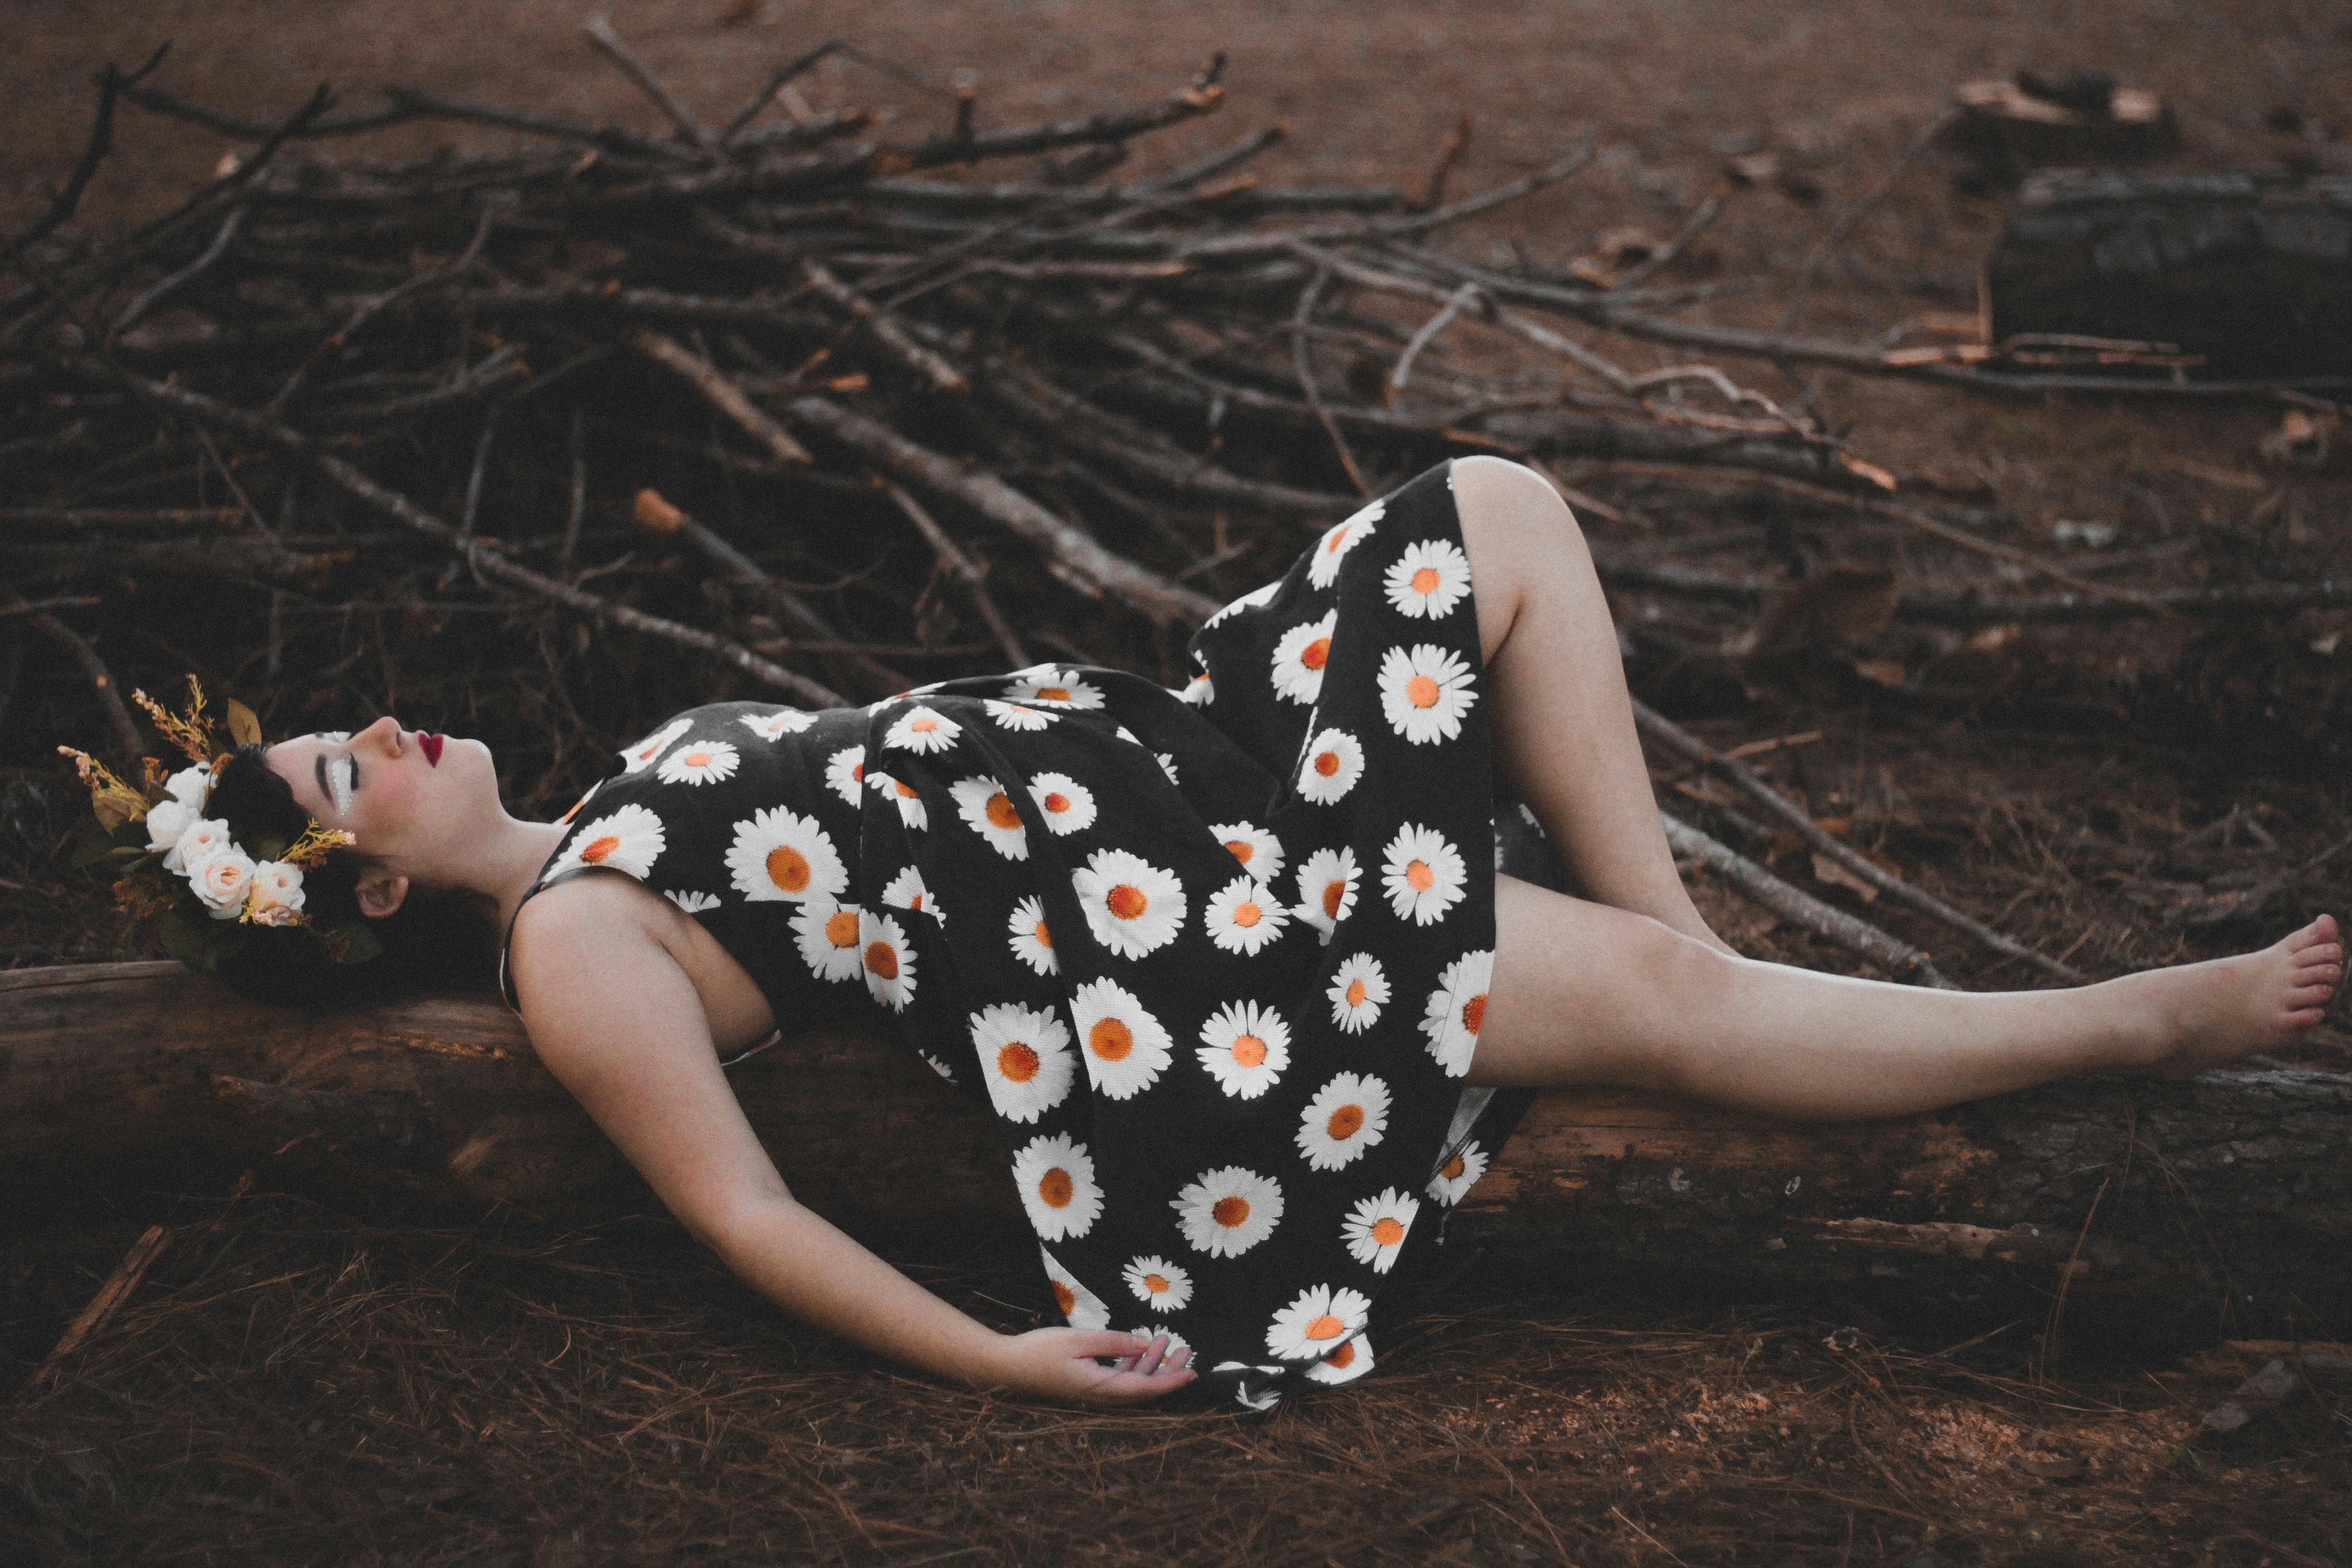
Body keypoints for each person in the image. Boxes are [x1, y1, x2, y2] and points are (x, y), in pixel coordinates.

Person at [81, 457, 2342, 1412]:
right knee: (1652, 1002)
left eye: (344, 727)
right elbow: (742, 1212)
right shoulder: (574, 948)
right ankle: (2146, 1024)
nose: (377, 728)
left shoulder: (601, 793)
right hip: (1160, 969)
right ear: (369, 889)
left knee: (1503, 513)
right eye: (336, 772)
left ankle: (1686, 963)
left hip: (1179, 768)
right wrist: (994, 1360)